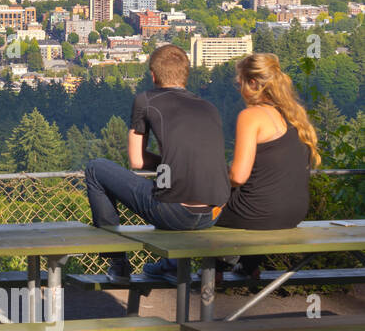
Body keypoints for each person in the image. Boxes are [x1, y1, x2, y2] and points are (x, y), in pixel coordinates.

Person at [84, 43, 230, 279]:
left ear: (153, 75)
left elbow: (136, 160)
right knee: (168, 183)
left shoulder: (146, 100)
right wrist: (174, 163)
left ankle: (118, 263)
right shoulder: (209, 107)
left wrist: (168, 163)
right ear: (186, 75)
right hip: (212, 214)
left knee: (95, 169)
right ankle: (170, 266)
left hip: (173, 213)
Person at [215, 53, 321, 278]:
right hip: (294, 214)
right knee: (255, 201)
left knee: (200, 210)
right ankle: (246, 265)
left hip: (257, 214)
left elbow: (238, 177)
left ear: (253, 83)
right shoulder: (295, 117)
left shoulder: (251, 116)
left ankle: (211, 272)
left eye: (239, 82)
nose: (238, 88)